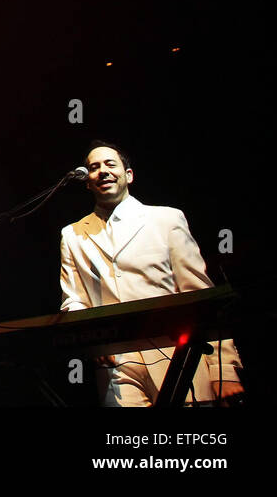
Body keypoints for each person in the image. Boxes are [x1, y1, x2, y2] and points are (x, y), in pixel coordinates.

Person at [59, 141, 244, 406]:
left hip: (178, 357)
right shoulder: (72, 234)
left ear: (129, 175)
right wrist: (92, 337)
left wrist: (224, 370)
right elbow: (74, 300)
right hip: (117, 367)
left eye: (110, 164)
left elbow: (200, 295)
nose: (102, 171)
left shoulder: (166, 220)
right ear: (87, 182)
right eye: (94, 167)